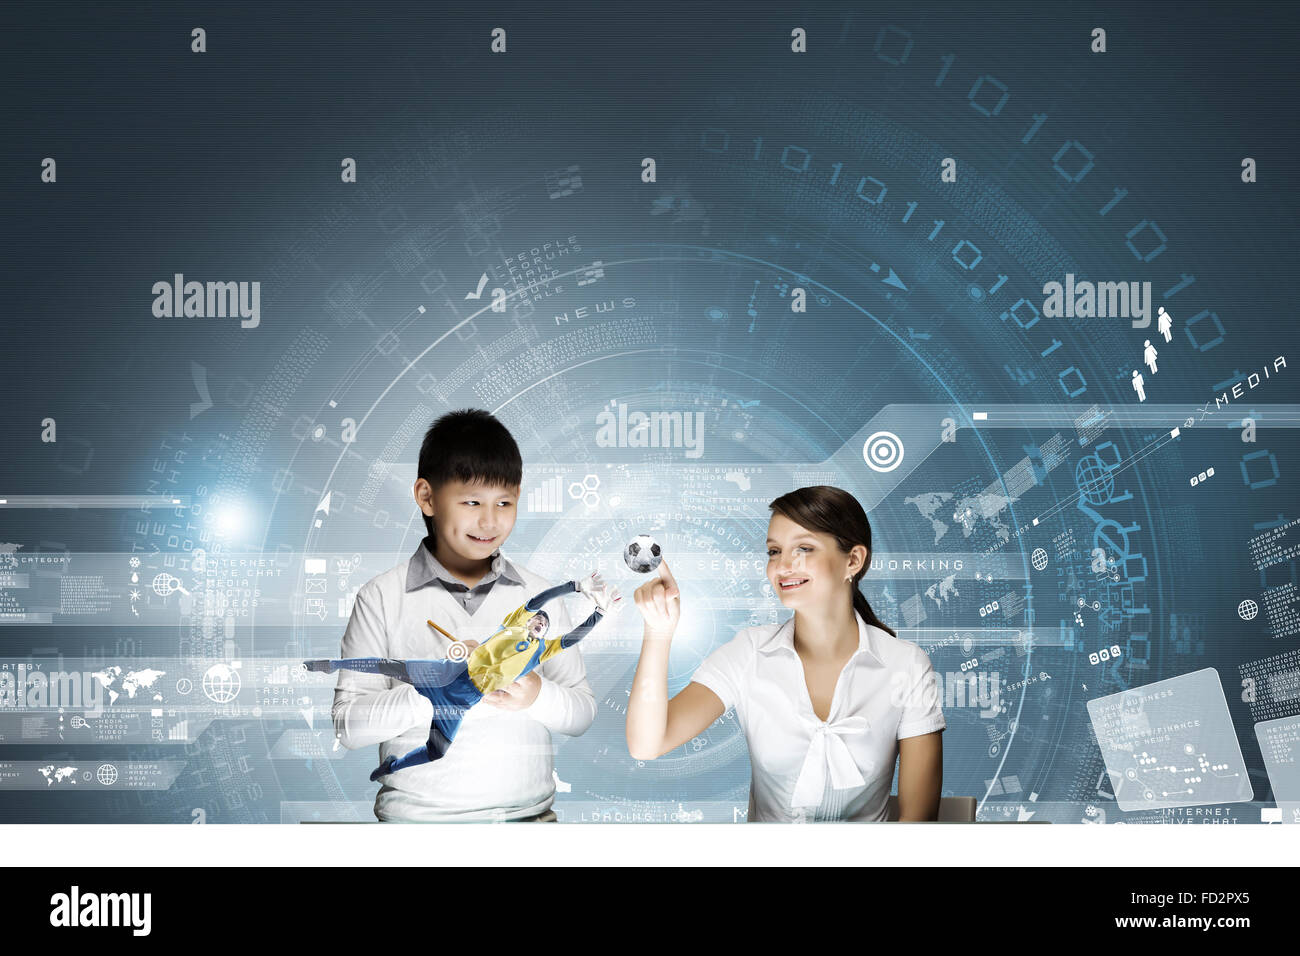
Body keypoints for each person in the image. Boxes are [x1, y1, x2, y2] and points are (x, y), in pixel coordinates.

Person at [326, 408, 597, 822]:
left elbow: (581, 713)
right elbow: (348, 728)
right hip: (416, 830)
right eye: (471, 501)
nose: (489, 521)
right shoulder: (381, 597)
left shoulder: (537, 598)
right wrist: (433, 687)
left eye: (504, 502)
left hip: (529, 825)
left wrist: (536, 694)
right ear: (427, 497)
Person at [626, 485, 945, 822]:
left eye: (804, 548)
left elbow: (917, 829)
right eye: (774, 551)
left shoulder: (906, 665)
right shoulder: (749, 653)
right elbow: (647, 744)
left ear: (853, 560)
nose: (783, 566)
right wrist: (658, 632)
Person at [307, 571, 621, 780]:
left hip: (463, 699)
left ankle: (393, 766)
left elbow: (572, 640)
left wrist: (600, 614)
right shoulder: (514, 623)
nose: (540, 622)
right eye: (537, 619)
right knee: (390, 666)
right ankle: (333, 664)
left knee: (437, 751)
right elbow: (538, 601)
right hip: (448, 673)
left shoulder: (542, 652)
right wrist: (573, 587)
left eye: (544, 624)